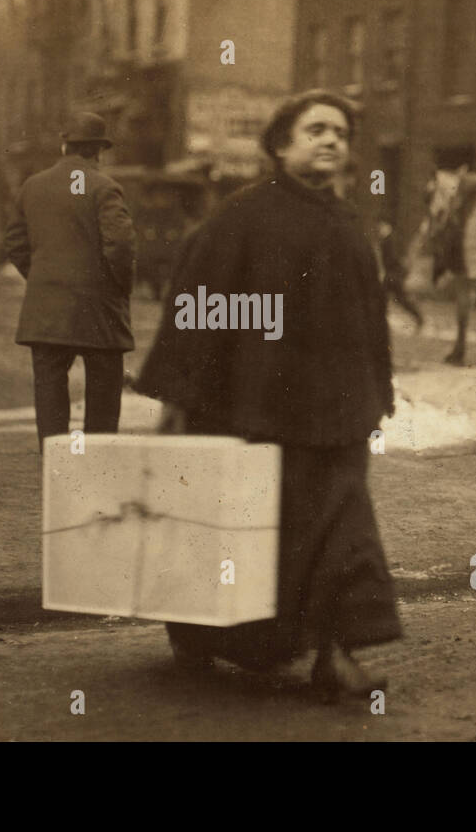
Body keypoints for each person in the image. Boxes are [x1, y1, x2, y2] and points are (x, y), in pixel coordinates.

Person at [133, 90, 403, 702]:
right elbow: (199, 308)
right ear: (281, 145)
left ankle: (337, 656)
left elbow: (369, 317)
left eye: (339, 131)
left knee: (343, 531)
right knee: (244, 531)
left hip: (338, 415)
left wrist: (378, 389)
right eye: (316, 130)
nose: (331, 140)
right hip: (255, 409)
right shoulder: (243, 217)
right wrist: (180, 397)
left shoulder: (349, 223)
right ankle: (204, 634)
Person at [3, 112, 136, 448]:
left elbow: (15, 243)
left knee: (49, 389)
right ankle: (97, 465)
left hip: (47, 308)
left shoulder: (32, 186)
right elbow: (120, 244)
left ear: (65, 146)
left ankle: (55, 463)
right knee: (104, 393)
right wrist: (119, 287)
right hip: (98, 308)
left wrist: (43, 278)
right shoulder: (105, 187)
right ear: (98, 151)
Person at [377, 216, 424, 331]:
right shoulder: (387, 240)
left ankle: (419, 318)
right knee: (398, 299)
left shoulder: (390, 240)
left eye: (382, 226)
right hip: (393, 274)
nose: (379, 228)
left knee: (385, 298)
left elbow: (394, 258)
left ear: (388, 227)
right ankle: (418, 317)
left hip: (394, 274)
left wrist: (397, 272)